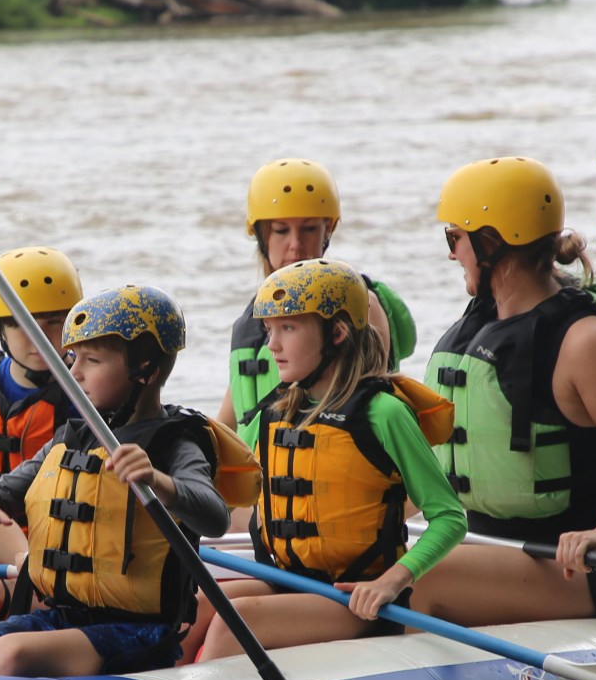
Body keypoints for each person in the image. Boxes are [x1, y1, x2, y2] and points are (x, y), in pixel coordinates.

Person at [0, 286, 255, 678]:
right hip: (62, 617)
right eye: (74, 358)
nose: (74, 372)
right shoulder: (75, 436)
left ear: (145, 371)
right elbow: (2, 489)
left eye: (92, 360)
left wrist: (158, 482)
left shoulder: (174, 442)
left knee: (9, 657)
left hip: (137, 632)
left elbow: (212, 516)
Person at [410, 157, 596, 626]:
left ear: (491, 242)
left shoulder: (584, 342)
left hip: (581, 570)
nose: (452, 253)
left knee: (416, 577)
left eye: (456, 238)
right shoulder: (481, 326)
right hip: (490, 550)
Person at [199, 259, 467, 659]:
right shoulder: (277, 412)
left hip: (358, 599)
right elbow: (229, 487)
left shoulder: (384, 413)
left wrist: (392, 582)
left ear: (337, 333)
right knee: (194, 606)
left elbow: (450, 517)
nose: (272, 344)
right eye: (270, 330)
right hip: (288, 579)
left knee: (237, 618)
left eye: (288, 328)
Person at [217, 158, 416, 452]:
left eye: (309, 229)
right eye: (282, 230)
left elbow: (370, 404)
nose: (296, 245)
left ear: (328, 231)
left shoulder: (360, 306)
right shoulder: (258, 319)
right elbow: (228, 421)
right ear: (262, 235)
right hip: (263, 483)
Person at [0, 246, 83, 622]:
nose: (38, 337)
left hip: (58, 545)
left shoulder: (89, 396)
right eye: (21, 322)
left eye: (52, 322)